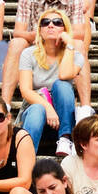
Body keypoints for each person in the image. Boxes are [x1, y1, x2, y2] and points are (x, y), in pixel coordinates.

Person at [2, 0, 94, 113]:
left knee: (78, 45)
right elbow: (18, 32)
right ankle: (5, 104)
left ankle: (85, 108)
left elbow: (79, 34)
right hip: (36, 46)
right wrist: (42, 36)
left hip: (63, 46)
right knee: (16, 43)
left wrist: (54, 36)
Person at [17, 8, 82, 158]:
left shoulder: (75, 56)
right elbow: (25, 91)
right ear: (40, 30)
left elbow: (64, 74)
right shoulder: (28, 54)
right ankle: (24, 158)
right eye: (45, 23)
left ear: (65, 28)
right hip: (36, 113)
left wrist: (70, 45)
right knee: (38, 109)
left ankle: (65, 139)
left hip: (63, 116)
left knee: (62, 85)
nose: (51, 25)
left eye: (57, 22)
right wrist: (47, 107)